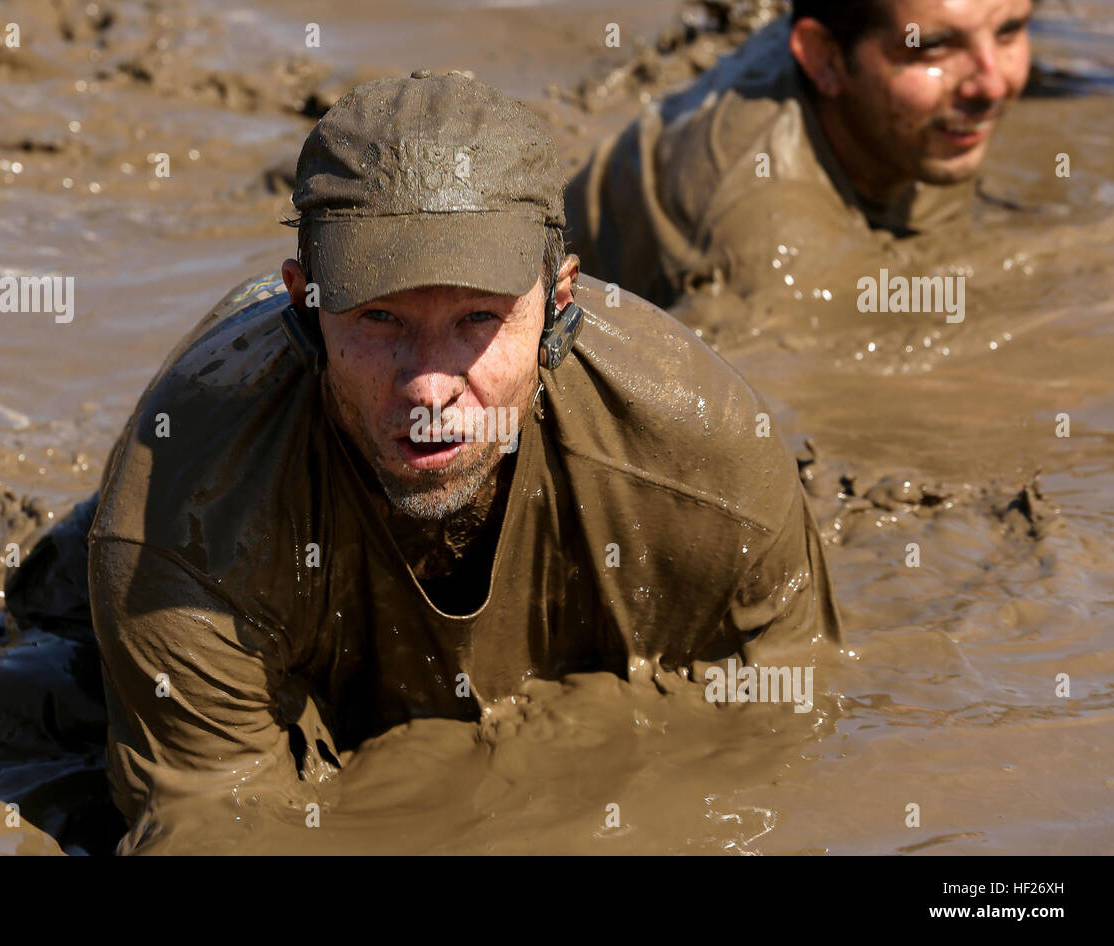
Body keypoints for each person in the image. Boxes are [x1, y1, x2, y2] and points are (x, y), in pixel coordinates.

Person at [86, 70, 842, 852]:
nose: (431, 386)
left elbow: (783, 735)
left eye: (477, 319)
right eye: (380, 319)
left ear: (559, 305)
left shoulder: (705, 461)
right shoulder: (181, 514)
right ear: (305, 308)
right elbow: (218, 824)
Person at [564, 0, 1033, 310]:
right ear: (824, 59)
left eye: (1010, 31)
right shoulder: (765, 241)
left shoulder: (899, 98)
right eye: (932, 48)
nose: (993, 83)